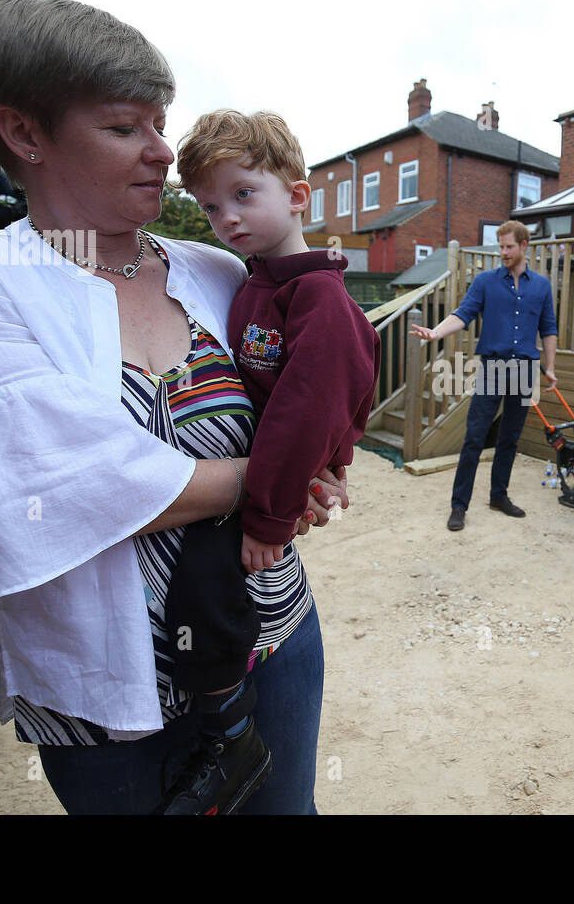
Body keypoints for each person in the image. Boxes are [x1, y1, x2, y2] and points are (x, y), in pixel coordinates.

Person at [0, 0, 346, 815]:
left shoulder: (220, 271)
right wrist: (279, 479)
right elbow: (60, 490)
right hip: (105, 695)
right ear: (23, 133)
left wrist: (325, 454)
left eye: (161, 123)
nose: (164, 151)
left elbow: (317, 388)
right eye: (126, 128)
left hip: (271, 636)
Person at [158, 109, 379, 813]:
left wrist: (271, 516)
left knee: (199, 589)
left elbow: (316, 401)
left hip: (262, 495)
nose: (226, 217)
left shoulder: (316, 294)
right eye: (210, 205)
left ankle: (229, 737)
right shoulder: (252, 278)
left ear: (298, 196)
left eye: (244, 194)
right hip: (263, 473)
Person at [410, 220, 557, 531]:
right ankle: (458, 506)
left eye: (508, 247)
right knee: (475, 438)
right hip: (492, 368)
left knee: (509, 439)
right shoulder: (485, 282)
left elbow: (549, 329)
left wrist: (552, 367)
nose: (503, 252)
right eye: (500, 246)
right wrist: (436, 332)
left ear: (523, 246)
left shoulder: (542, 286)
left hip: (525, 370)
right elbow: (463, 315)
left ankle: (499, 496)